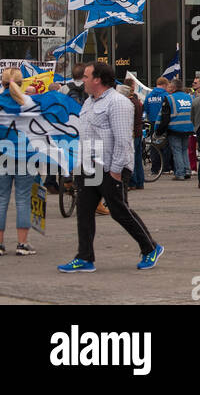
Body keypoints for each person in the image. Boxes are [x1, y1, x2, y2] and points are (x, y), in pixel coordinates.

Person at [58, 62, 164, 273]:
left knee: (119, 211)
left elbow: (123, 140)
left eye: (86, 76)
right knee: (84, 212)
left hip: (110, 167)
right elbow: (86, 135)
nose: (83, 80)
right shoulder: (88, 102)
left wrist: (116, 171)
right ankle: (84, 257)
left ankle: (150, 247)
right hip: (88, 166)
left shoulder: (118, 103)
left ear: (98, 79)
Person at [0, 70, 39, 256]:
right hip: (26, 155)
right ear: (22, 83)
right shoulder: (30, 103)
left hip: (2, 155)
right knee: (23, 199)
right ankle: (22, 244)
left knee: (1, 199)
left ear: (2, 82)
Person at [157, 79, 193, 181]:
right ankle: (187, 170)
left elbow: (165, 118)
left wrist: (159, 131)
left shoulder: (169, 98)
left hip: (175, 128)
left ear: (173, 87)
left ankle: (180, 173)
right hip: (188, 128)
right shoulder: (190, 97)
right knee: (184, 149)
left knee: (177, 151)